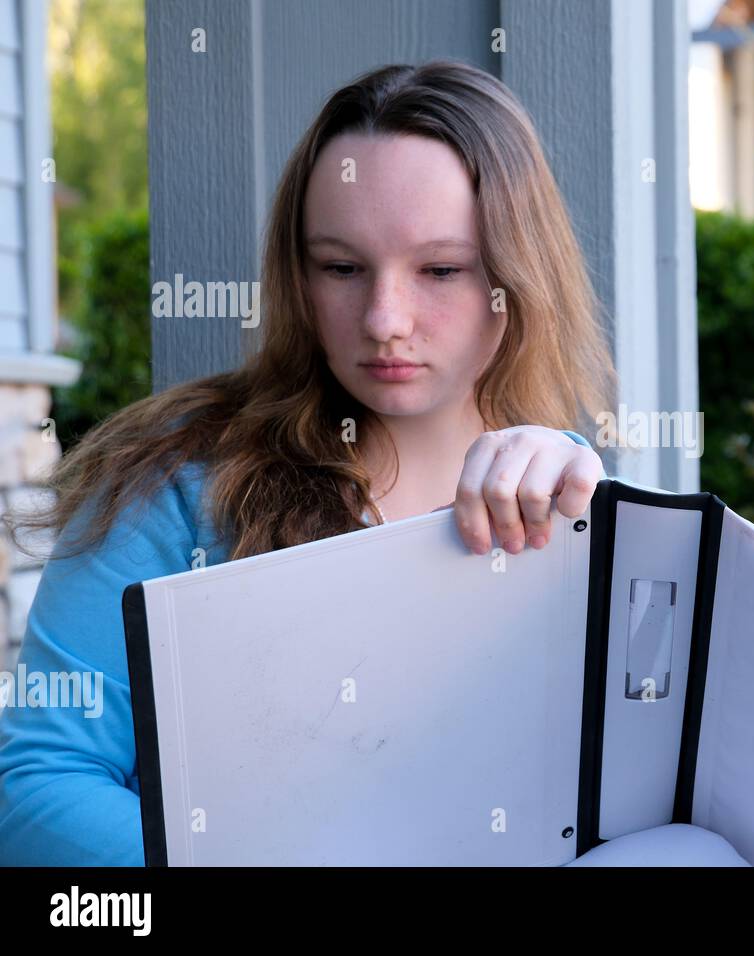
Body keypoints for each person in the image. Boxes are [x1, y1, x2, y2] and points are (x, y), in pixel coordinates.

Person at [0, 60, 616, 866]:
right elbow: (38, 788)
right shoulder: (174, 478)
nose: (385, 320)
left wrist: (579, 495)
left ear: (520, 274)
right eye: (341, 268)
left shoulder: (563, 493)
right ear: (297, 274)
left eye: (439, 270)